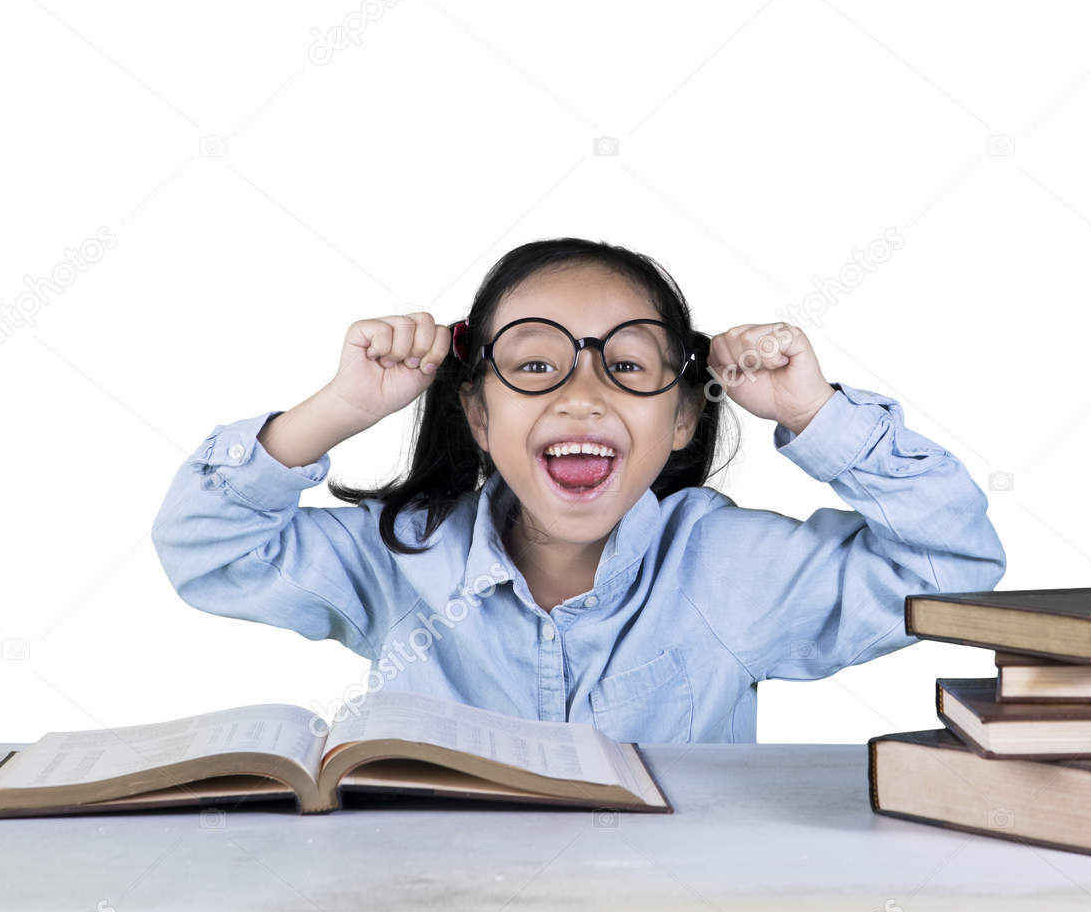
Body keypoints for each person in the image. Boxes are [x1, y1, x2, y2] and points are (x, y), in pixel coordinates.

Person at [150, 237, 1006, 742]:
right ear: (478, 414)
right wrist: (342, 406)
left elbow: (951, 564)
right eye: (534, 365)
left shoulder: (729, 568)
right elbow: (205, 548)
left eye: (626, 365)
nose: (583, 395)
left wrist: (815, 413)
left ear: (682, 417)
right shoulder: (401, 558)